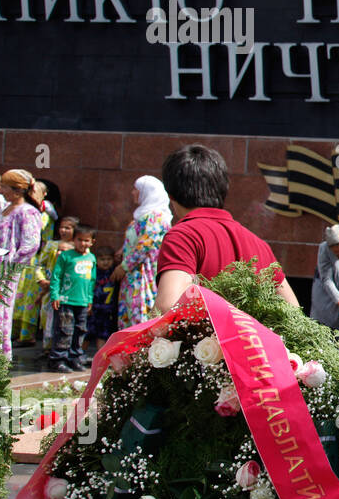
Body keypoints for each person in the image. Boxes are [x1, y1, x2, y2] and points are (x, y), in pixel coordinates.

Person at [154, 145, 300, 314]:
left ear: (170, 194)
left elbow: (168, 306)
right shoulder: (260, 246)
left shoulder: (183, 236)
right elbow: (293, 313)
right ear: (223, 188)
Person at [0, 169, 43, 358]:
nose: (0, 189)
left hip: (5, 270)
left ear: (17, 190)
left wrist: (10, 263)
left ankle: (0, 358)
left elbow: (30, 244)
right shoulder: (3, 208)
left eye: (4, 186)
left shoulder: (27, 212)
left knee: (1, 310)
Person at [113, 175, 173, 328]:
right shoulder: (142, 216)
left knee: (141, 319)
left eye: (137, 189)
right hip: (134, 276)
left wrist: (123, 266)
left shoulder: (156, 217)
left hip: (143, 276)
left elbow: (145, 245)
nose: (133, 192)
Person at [11, 180, 55, 347]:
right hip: (22, 258)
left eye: (35, 190)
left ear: (44, 194)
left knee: (30, 298)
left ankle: (27, 335)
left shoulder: (43, 213)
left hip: (36, 259)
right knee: (18, 296)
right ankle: (14, 332)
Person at [48, 223, 95, 373]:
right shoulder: (66, 256)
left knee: (79, 330)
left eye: (86, 240)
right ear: (74, 240)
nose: (83, 243)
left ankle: (74, 358)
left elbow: (91, 281)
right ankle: (58, 359)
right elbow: (56, 276)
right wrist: (55, 295)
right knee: (64, 330)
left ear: (92, 242)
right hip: (66, 300)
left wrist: (89, 299)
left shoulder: (91, 258)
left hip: (82, 302)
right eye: (79, 240)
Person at [84, 244, 120, 354]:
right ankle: (79, 355)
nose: (105, 262)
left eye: (109, 259)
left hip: (107, 311)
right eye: (102, 259)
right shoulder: (93, 272)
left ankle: (101, 357)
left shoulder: (114, 272)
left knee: (103, 335)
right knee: (87, 334)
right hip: (93, 309)